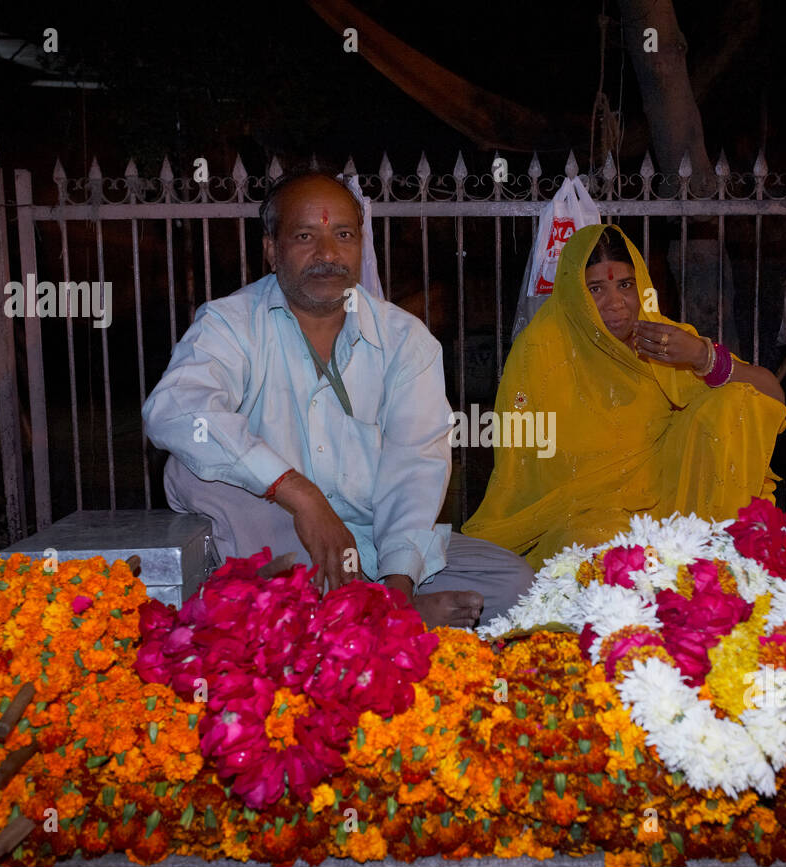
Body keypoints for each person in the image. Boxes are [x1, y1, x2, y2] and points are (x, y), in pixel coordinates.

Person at [142, 168, 534, 628]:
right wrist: (300, 495)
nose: (328, 253)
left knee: (515, 585)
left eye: (343, 235)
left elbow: (416, 467)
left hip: (367, 538)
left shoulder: (404, 339)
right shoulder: (230, 323)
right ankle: (365, 617)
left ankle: (366, 610)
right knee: (198, 471)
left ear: (360, 245)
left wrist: (400, 580)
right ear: (272, 250)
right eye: (306, 235)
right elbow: (176, 409)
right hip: (274, 528)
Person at [462, 223, 786, 569]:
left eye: (625, 285)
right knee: (603, 547)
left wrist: (701, 357)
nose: (615, 303)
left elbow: (771, 394)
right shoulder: (540, 352)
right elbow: (519, 474)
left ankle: (713, 565)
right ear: (574, 293)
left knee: (735, 402)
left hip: (671, 504)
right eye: (596, 289)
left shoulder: (662, 339)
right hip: (584, 519)